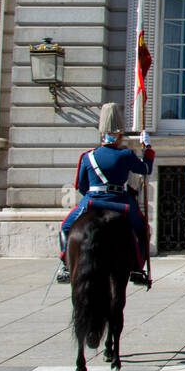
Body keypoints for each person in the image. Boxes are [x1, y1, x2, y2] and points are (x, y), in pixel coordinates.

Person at [56, 103, 155, 285]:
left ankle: (65, 265)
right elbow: (146, 169)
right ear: (119, 135)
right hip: (121, 203)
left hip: (91, 202)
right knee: (142, 230)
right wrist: (147, 148)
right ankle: (138, 269)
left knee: (65, 227)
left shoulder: (88, 157)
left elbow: (81, 186)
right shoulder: (126, 155)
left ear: (102, 133)